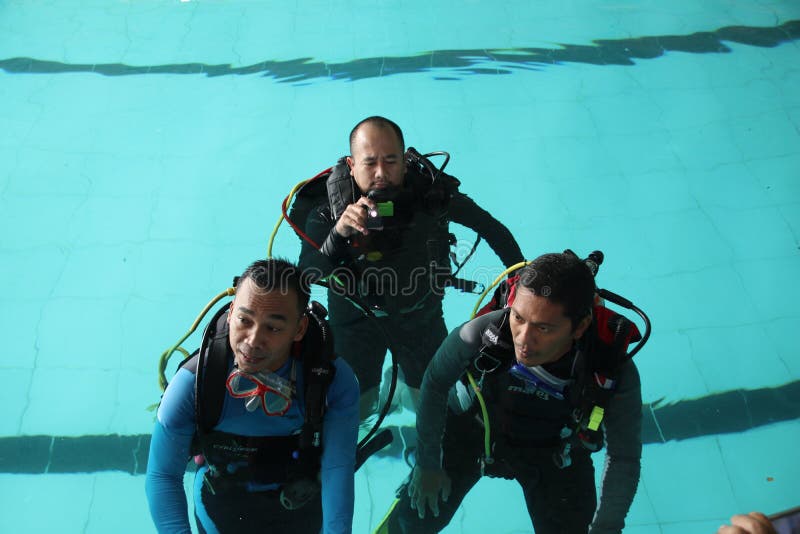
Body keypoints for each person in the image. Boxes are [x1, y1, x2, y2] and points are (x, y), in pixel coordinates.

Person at [381, 252, 643, 534]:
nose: (523, 340)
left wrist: (607, 525)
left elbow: (623, 455)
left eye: (543, 328)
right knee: (415, 521)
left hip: (553, 452)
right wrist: (427, 463)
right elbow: (435, 382)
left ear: (579, 327)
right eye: (519, 317)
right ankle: (401, 396)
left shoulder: (611, 367)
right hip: (473, 432)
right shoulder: (485, 330)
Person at [297, 115, 524, 427]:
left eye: (390, 161)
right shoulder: (328, 212)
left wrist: (521, 283)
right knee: (357, 410)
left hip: (421, 316)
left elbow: (492, 228)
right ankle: (388, 394)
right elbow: (305, 275)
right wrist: (338, 234)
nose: (381, 173)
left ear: (404, 162)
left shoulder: (430, 198)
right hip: (354, 322)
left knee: (432, 408)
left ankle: (402, 393)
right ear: (351, 165)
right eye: (370, 162)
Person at [145, 259, 360, 534]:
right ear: (232, 311)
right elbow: (163, 477)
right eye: (245, 320)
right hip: (220, 506)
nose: (253, 340)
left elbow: (337, 469)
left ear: (299, 329)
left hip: (302, 505)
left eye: (273, 327)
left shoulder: (331, 382)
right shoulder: (193, 383)